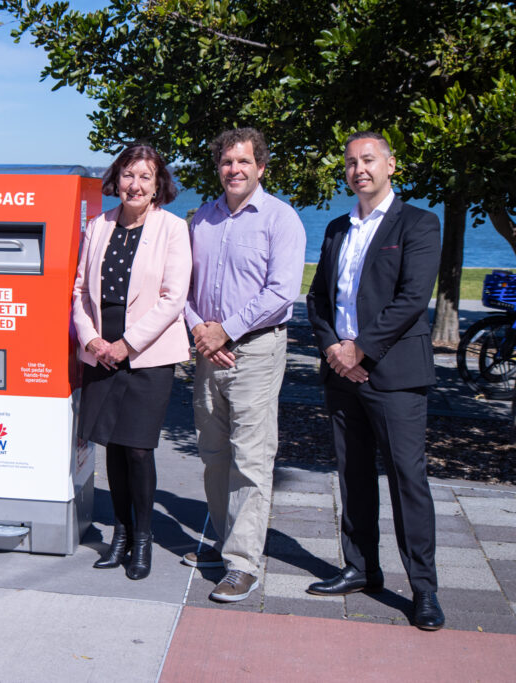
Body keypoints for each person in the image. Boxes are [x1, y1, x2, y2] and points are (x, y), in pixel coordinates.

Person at [306, 131, 444, 630]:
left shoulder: (419, 223)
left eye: (368, 160)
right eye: (350, 162)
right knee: (353, 475)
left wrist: (359, 348)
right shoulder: (337, 228)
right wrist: (332, 349)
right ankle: (361, 568)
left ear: (390, 166)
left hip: (394, 375)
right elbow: (318, 299)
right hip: (341, 374)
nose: (358, 168)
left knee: (409, 480)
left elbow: (412, 298)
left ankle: (424, 589)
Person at [183, 127, 306, 602]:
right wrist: (201, 331)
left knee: (251, 457)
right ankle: (221, 541)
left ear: (261, 167)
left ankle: (243, 563)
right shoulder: (202, 219)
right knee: (213, 452)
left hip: (255, 349)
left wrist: (227, 330)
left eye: (243, 162)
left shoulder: (282, 219)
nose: (234, 169)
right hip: (208, 350)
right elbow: (184, 288)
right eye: (227, 162)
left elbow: (281, 294)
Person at [72, 143, 191, 581]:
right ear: (116, 180)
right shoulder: (97, 226)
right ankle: (119, 536)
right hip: (102, 353)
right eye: (127, 175)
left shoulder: (173, 229)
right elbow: (81, 291)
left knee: (139, 449)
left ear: (159, 183)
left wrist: (127, 344)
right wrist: (93, 339)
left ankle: (142, 539)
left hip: (148, 356)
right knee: (114, 448)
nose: (135, 184)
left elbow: (172, 298)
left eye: (145, 176)